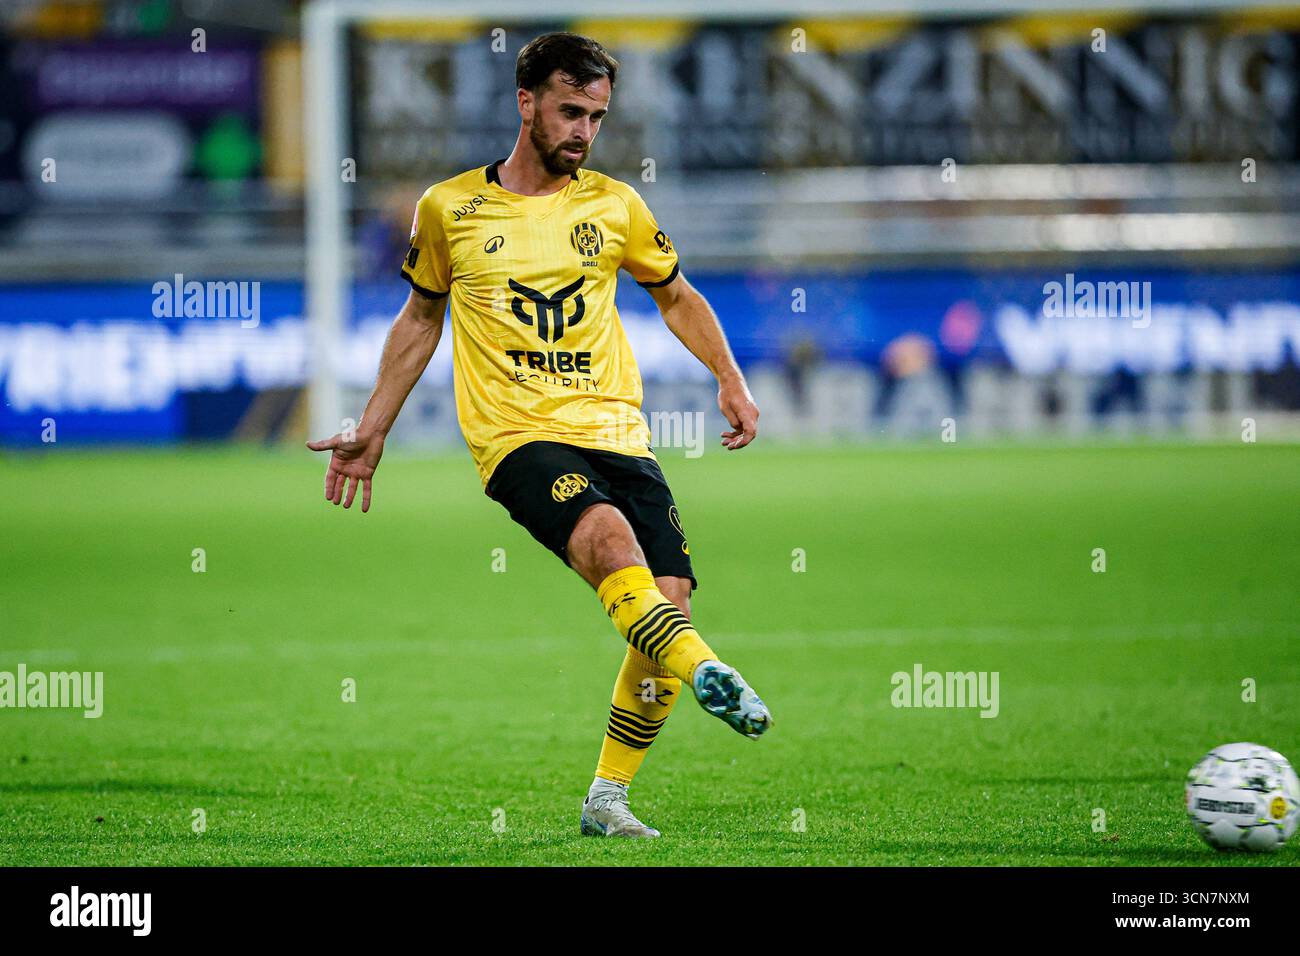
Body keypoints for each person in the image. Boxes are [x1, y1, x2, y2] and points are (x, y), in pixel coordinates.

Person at [308, 32, 771, 839]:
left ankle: (607, 799)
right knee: (609, 541)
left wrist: (729, 378)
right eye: (569, 112)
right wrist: (371, 427)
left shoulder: (615, 205)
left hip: (619, 431)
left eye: (596, 116)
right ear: (526, 104)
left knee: (668, 601)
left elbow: (676, 295)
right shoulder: (449, 209)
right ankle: (709, 672)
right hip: (516, 437)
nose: (584, 132)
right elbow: (421, 319)